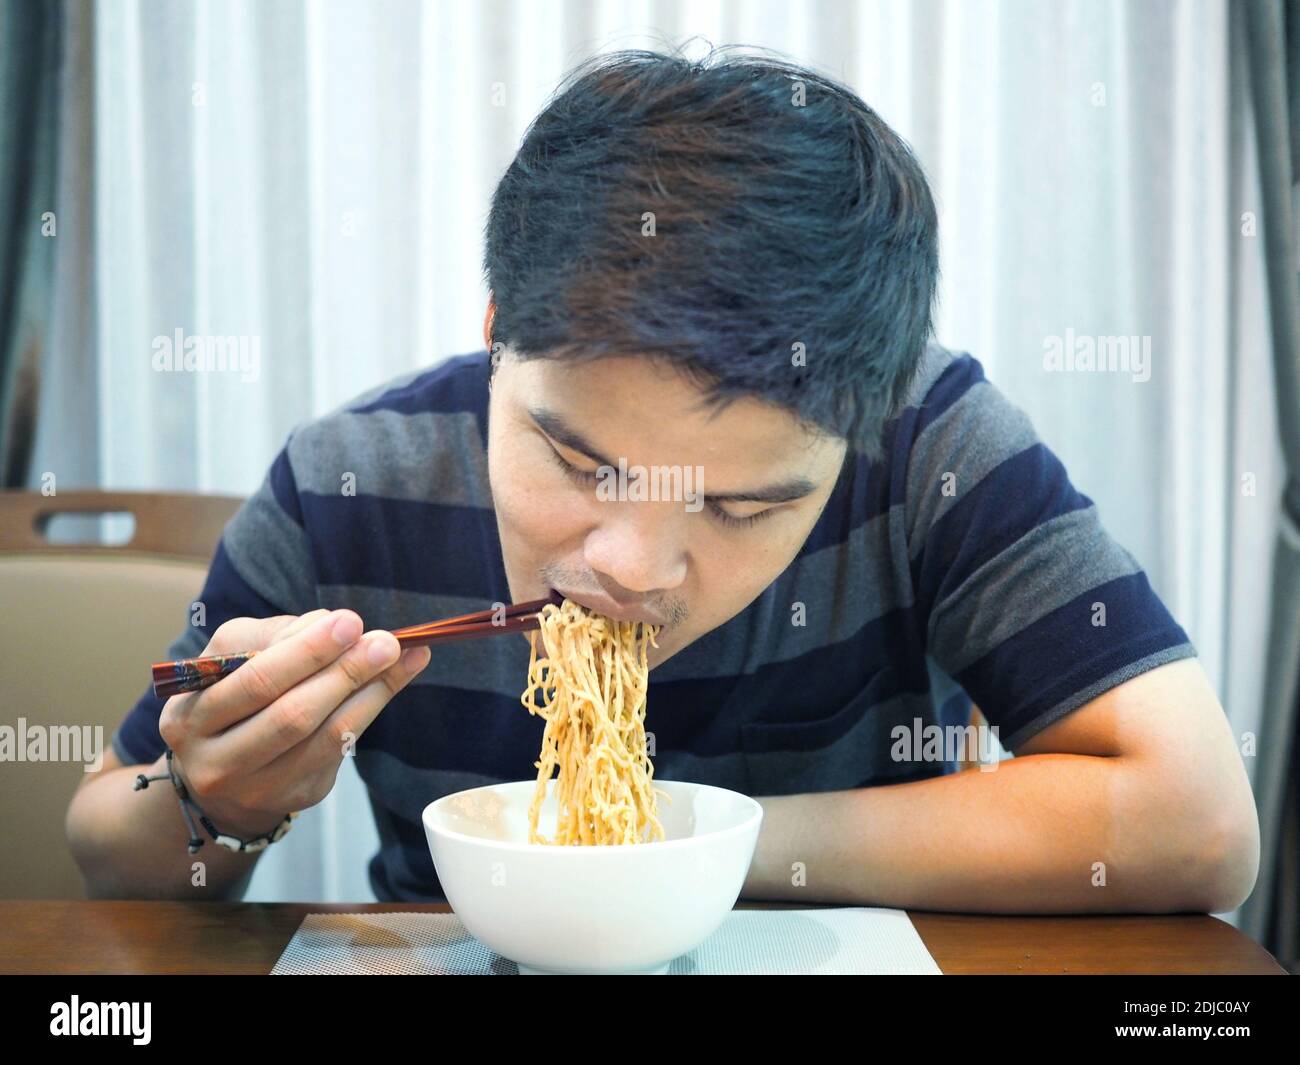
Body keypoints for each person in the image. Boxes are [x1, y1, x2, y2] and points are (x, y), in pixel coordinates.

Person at [68, 47, 1258, 912]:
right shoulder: (350, 477)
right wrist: (216, 806)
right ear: (496, 331)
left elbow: (1199, 827)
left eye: (743, 505)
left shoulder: (931, 445)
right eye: (577, 462)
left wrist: (677, 840)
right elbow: (106, 846)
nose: (629, 568)